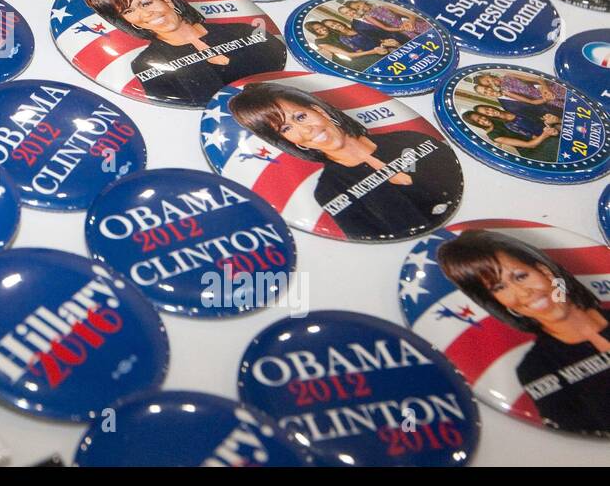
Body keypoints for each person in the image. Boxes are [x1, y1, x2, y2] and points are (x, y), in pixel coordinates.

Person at [229, 80, 461, 237]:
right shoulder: (329, 191)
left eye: (301, 116)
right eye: (287, 129)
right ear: (287, 141)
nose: (305, 130)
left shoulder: (411, 139)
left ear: (319, 111)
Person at [437, 229, 610, 435]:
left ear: (545, 271)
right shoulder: (535, 369)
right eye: (499, 287)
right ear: (496, 301)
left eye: (521, 276)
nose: (523, 292)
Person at [83, 0, 285, 104]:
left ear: (166, 0)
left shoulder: (242, 31)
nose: (146, 14)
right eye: (129, 11)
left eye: (146, 3)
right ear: (126, 21)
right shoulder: (145, 65)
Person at [462, 105, 560, 162]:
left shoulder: (498, 119)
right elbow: (530, 145)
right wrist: (545, 134)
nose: (483, 119)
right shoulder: (493, 135)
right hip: (537, 151)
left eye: (481, 116)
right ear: (477, 124)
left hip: (542, 137)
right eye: (479, 121)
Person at [304, 18, 397, 70]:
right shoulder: (320, 42)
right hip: (351, 61)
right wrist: (373, 51)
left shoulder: (334, 32)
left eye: (322, 27)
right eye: (317, 29)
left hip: (362, 52)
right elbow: (348, 54)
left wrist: (382, 42)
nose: (322, 29)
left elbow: (356, 40)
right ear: (314, 32)